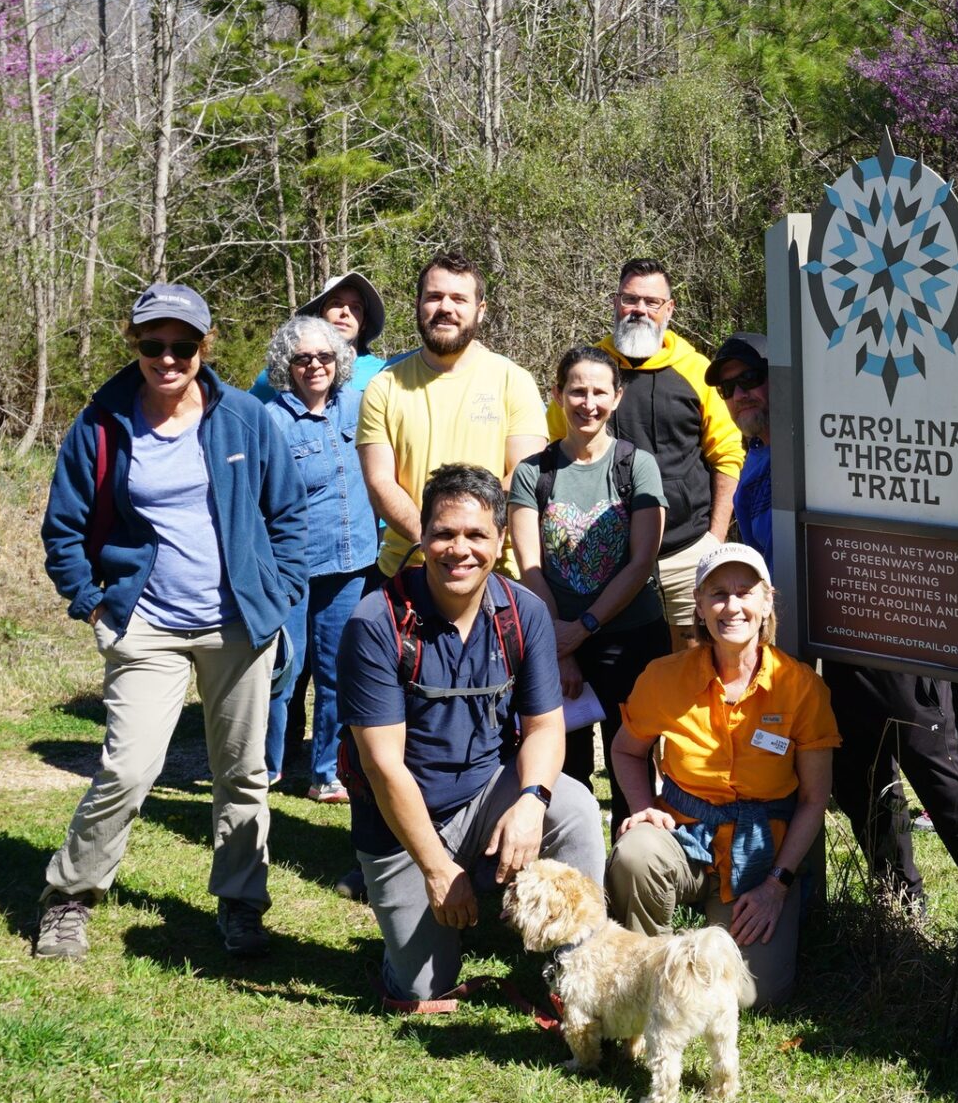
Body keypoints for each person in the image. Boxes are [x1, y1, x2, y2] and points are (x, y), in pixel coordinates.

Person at [36, 283, 307, 962]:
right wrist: (92, 600)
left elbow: (289, 516)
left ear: (202, 347)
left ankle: (242, 903)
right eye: (153, 343)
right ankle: (70, 895)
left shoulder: (245, 418)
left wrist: (282, 591)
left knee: (243, 773)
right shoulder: (101, 424)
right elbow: (63, 527)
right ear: (134, 342)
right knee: (128, 767)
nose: (167, 357)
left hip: (238, 624)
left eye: (181, 345)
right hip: (146, 624)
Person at [709, 331, 958, 907]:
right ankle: (900, 905)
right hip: (812, 650)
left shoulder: (819, 436)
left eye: (750, 380)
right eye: (729, 389)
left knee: (937, 775)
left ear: (780, 378)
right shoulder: (752, 461)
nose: (740, 395)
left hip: (881, 630)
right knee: (860, 781)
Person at [337, 464, 605, 1005]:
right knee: (421, 989)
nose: (459, 549)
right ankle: (431, 913)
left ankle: (583, 967)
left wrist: (531, 801)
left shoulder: (523, 611)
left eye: (477, 534)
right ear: (423, 535)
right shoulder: (375, 622)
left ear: (501, 541)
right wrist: (437, 868)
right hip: (402, 824)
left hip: (488, 795)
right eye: (444, 533)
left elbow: (546, 727)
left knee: (572, 807)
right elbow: (382, 767)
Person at [604, 543, 838, 1009]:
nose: (732, 606)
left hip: (760, 850)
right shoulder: (663, 676)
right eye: (718, 594)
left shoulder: (801, 688)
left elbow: (814, 799)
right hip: (684, 837)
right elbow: (626, 750)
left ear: (767, 600)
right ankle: (648, 969)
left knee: (753, 996)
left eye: (744, 592)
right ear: (699, 604)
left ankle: (702, 944)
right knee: (635, 852)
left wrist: (776, 886)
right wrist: (643, 807)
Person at [509, 345, 672, 832]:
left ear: (617, 397)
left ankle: (632, 870)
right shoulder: (531, 473)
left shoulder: (636, 466)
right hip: (552, 640)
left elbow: (641, 561)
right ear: (556, 395)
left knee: (633, 761)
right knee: (562, 765)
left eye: (600, 391)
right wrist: (558, 647)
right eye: (576, 390)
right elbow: (529, 564)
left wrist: (581, 629)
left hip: (631, 639)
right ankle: (567, 877)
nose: (588, 402)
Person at [552, 259, 744, 646]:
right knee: (623, 670)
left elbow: (727, 455)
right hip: (605, 559)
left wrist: (715, 538)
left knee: (694, 666)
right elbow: (553, 453)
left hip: (685, 552)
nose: (639, 309)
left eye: (651, 302)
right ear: (615, 302)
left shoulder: (696, 371)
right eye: (630, 299)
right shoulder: (590, 374)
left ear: (669, 309)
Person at [358, 251, 547, 586]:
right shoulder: (384, 387)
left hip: (493, 571)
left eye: (459, 298)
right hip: (407, 570)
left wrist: (464, 543)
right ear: (418, 304)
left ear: (481, 310)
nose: (446, 307)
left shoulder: (513, 381)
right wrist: (434, 540)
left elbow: (522, 475)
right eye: (434, 296)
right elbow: (380, 481)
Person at [260, 315, 379, 800]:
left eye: (325, 356)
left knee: (337, 672)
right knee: (282, 669)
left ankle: (327, 772)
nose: (315, 365)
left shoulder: (361, 408)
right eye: (303, 357)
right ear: (286, 364)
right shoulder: (268, 419)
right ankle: (264, 766)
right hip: (290, 566)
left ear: (340, 361)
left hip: (352, 563)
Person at [248, 271, 390, 399]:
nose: (345, 312)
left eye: (355, 307)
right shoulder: (282, 371)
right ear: (320, 313)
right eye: (336, 303)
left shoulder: (383, 373)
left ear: (364, 322)